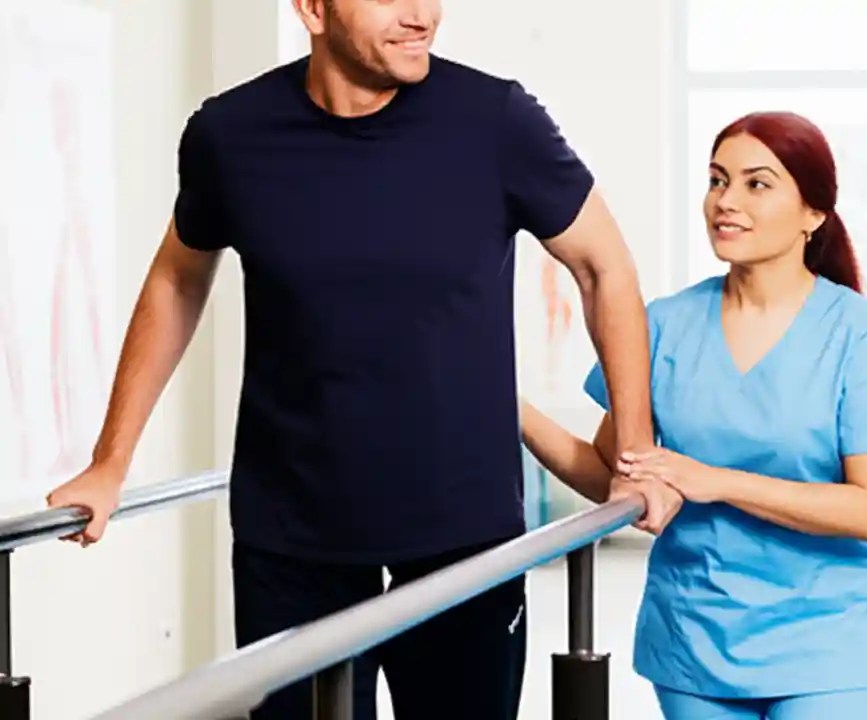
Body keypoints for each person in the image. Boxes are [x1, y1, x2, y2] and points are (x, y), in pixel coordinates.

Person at [43, 0, 681, 718]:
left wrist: (633, 447)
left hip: (464, 542)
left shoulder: (495, 122)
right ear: (313, 9)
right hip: (292, 538)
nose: (422, 16)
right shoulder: (231, 135)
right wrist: (110, 461)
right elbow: (178, 276)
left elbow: (603, 266)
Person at [520, 111, 867, 720]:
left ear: (814, 214)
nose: (726, 201)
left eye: (756, 184)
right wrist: (511, 406)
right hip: (695, 636)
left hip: (830, 643)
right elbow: (617, 475)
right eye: (716, 180)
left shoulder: (860, 335)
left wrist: (718, 482)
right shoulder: (662, 326)